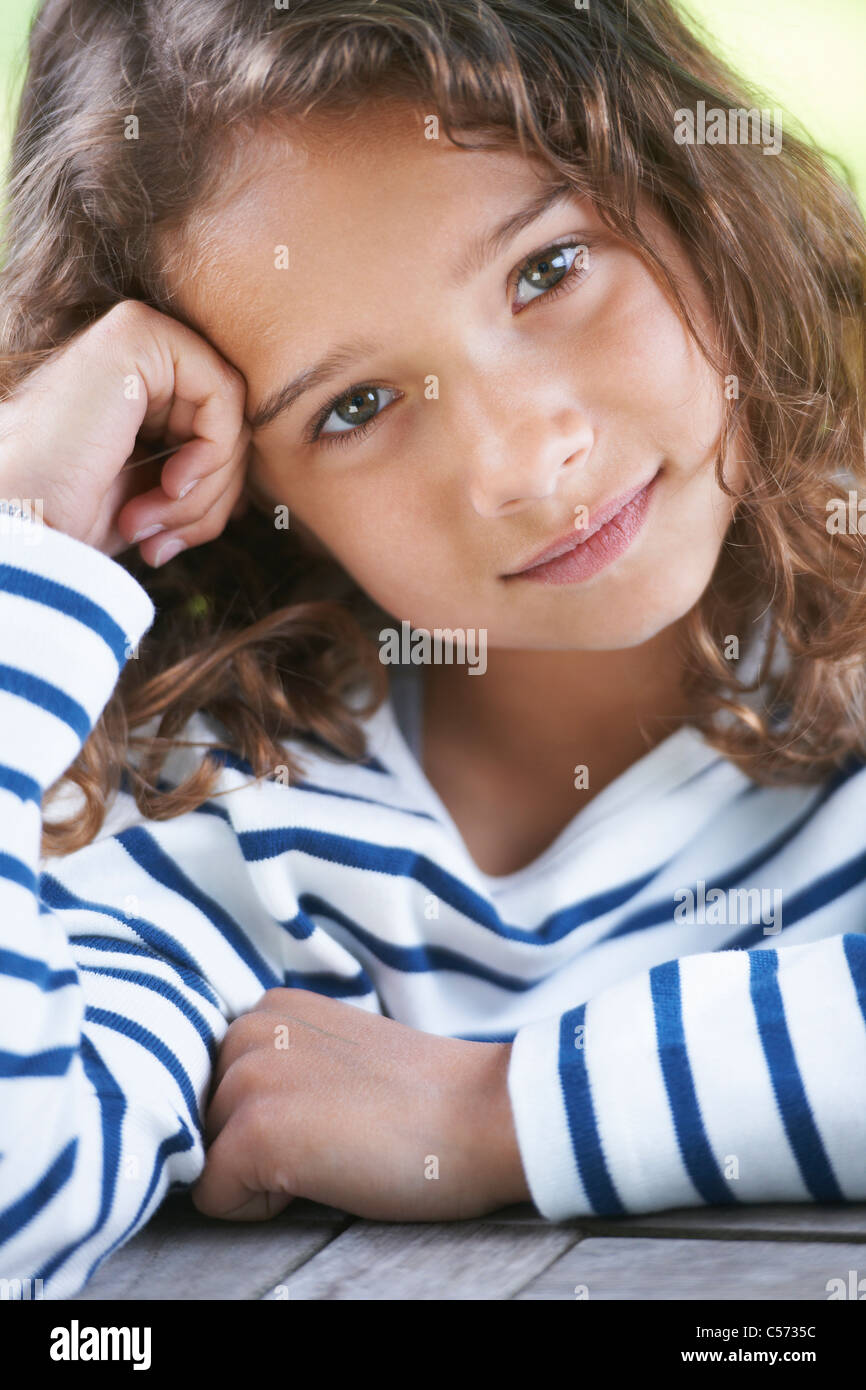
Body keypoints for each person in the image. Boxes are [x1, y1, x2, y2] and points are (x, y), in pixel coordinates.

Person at [1, 0, 865, 1300]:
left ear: (694, 191)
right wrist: (24, 541)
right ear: (215, 478)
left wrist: (500, 1112)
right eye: (353, 407)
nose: (524, 458)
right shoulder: (231, 834)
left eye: (547, 268)